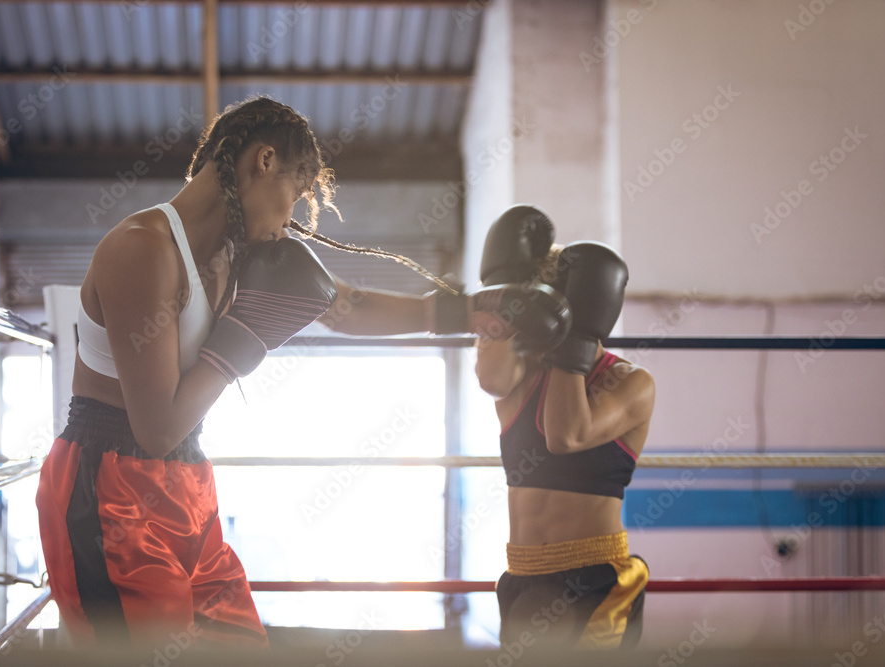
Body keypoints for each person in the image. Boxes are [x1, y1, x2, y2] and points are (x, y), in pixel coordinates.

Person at [35, 97, 570, 649]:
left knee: (239, 648)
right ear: (263, 161)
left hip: (184, 482)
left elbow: (345, 307)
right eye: (296, 193)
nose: (291, 218)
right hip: (107, 488)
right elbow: (156, 429)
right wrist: (246, 338)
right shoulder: (142, 249)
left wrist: (471, 310)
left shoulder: (235, 254)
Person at [472, 212, 656, 650]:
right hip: (523, 575)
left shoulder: (632, 382)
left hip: (595, 578)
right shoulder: (519, 372)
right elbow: (490, 379)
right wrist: (507, 300)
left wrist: (575, 340)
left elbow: (566, 436)